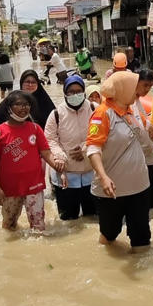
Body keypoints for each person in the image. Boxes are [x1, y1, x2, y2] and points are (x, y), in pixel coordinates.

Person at [86, 71, 152, 249]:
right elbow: (93, 148)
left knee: (142, 239)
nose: (138, 90)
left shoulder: (131, 110)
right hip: (112, 190)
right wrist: (103, 177)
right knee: (109, 235)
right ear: (123, 89)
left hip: (139, 187)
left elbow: (144, 129)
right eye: (134, 86)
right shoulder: (102, 114)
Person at [0, 90, 64, 232]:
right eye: (18, 104)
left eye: (27, 104)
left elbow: (46, 153)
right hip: (10, 188)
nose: (24, 108)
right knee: (9, 226)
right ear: (9, 108)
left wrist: (59, 168)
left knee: (39, 227)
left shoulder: (35, 129)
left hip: (34, 185)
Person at [44, 75, 96, 220]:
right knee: (68, 220)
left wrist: (85, 149)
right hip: (65, 175)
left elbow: (101, 133)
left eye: (79, 91)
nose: (75, 95)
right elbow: (50, 139)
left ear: (84, 92)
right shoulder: (56, 114)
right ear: (65, 93)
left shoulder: (94, 109)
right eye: (71, 92)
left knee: (93, 217)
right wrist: (60, 156)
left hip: (92, 173)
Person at [0, 70, 56, 142]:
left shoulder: (45, 100)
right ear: (21, 83)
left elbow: (55, 124)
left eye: (33, 82)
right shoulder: (12, 100)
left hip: (40, 142)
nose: (30, 85)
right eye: (27, 82)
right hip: (16, 142)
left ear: (38, 84)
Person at [133, 69, 153, 207]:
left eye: (150, 86)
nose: (147, 89)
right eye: (145, 85)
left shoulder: (137, 101)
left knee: (152, 195)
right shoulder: (129, 102)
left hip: (148, 154)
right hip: (139, 158)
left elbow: (143, 120)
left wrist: (151, 129)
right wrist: (150, 128)